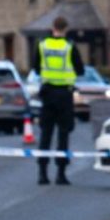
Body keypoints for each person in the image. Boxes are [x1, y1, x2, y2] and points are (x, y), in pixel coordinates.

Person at [36, 18, 84, 186]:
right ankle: (60, 174)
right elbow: (80, 69)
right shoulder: (69, 46)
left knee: (45, 134)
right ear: (66, 29)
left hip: (47, 93)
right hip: (64, 94)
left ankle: (42, 174)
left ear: (52, 28)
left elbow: (36, 67)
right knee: (63, 134)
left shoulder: (42, 45)